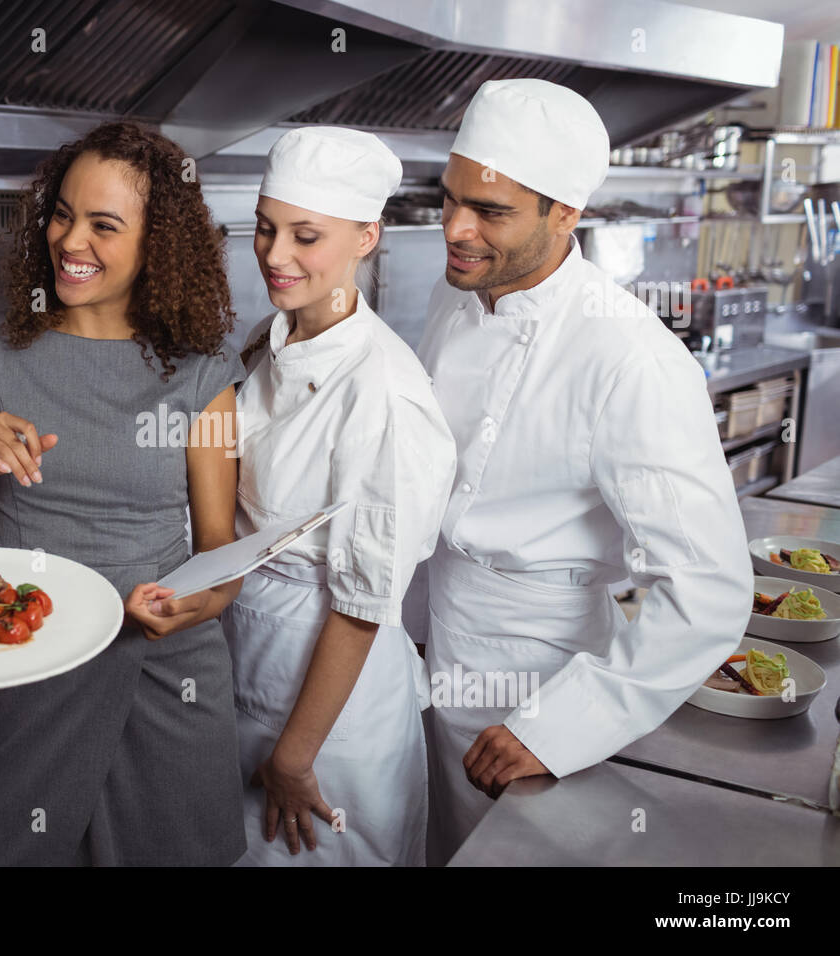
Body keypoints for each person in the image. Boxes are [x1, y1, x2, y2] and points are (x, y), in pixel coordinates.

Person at [416, 78, 753, 863]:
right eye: (450, 198)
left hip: (538, 685)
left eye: (490, 211)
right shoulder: (459, 294)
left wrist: (559, 728)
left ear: (565, 214)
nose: (456, 229)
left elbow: (706, 589)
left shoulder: (631, 358)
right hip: (433, 644)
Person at [0, 121, 247, 865]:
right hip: (37, 668)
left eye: (103, 225)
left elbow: (219, 552)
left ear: (160, 245)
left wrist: (187, 606)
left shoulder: (203, 374)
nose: (70, 241)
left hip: (166, 671)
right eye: (61, 213)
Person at [223, 127, 456, 866]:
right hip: (251, 659)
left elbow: (362, 601)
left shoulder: (382, 392)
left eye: (305, 235)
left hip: (330, 718)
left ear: (366, 237)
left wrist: (295, 758)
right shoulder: (274, 335)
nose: (275, 254)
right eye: (264, 228)